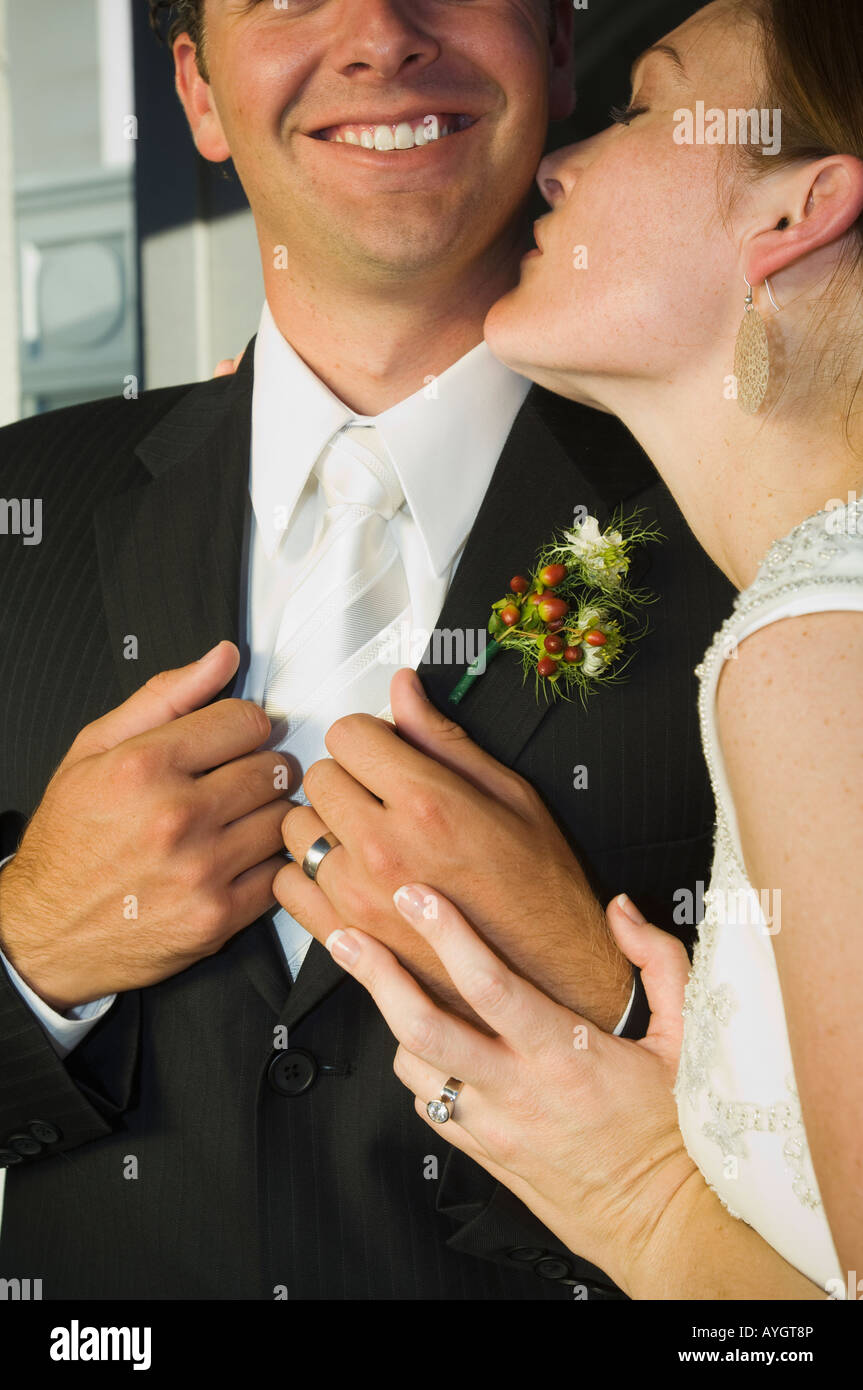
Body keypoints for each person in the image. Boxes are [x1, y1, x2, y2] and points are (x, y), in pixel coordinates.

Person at [0, 1, 733, 1299]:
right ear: (200, 93)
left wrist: (602, 1000)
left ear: (557, 49)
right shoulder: (19, 508)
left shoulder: (761, 517)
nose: (382, 33)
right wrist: (32, 945)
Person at [295, 0, 863, 1297]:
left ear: (795, 211)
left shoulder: (814, 648)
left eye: (645, 106)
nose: (560, 161)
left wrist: (649, 1197)